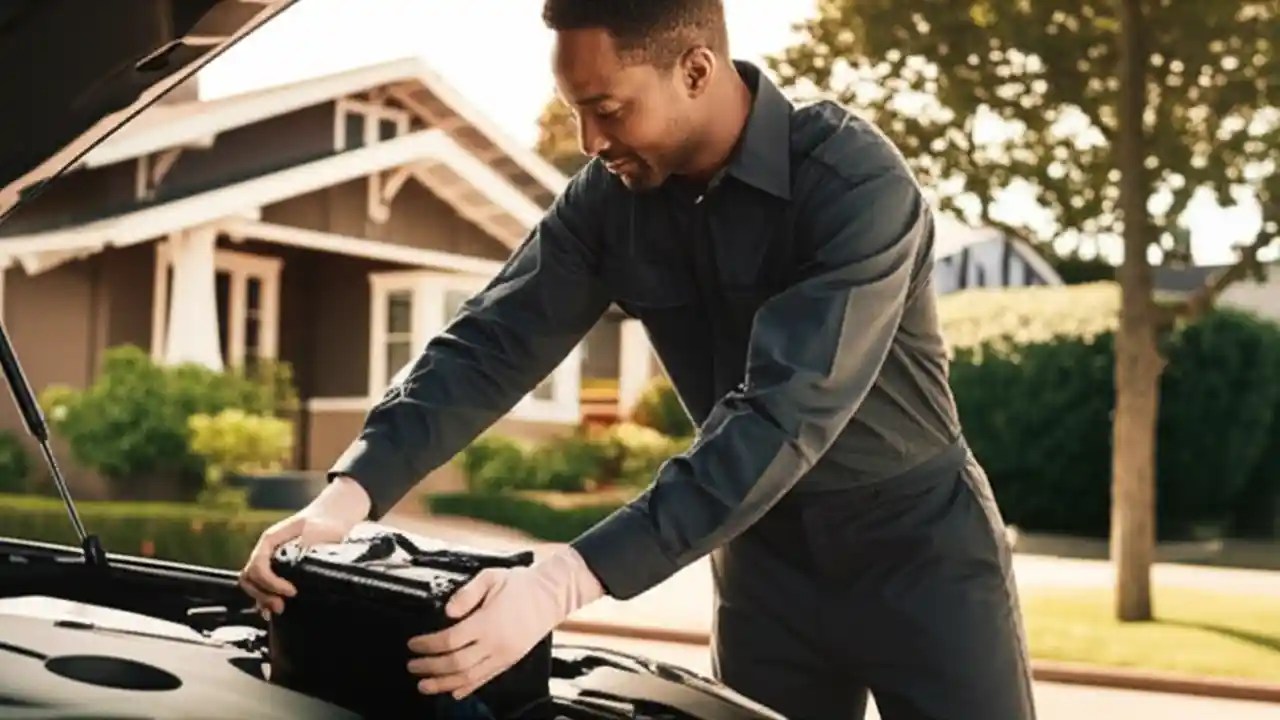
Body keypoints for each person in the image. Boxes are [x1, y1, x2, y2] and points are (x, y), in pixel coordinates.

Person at [238, 1, 1038, 717]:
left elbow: (781, 416)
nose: (590, 141)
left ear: (696, 69)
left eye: (608, 108)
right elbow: (490, 342)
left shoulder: (854, 184)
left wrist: (559, 584)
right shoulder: (606, 200)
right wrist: (344, 500)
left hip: (919, 551)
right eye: (576, 111)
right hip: (763, 562)